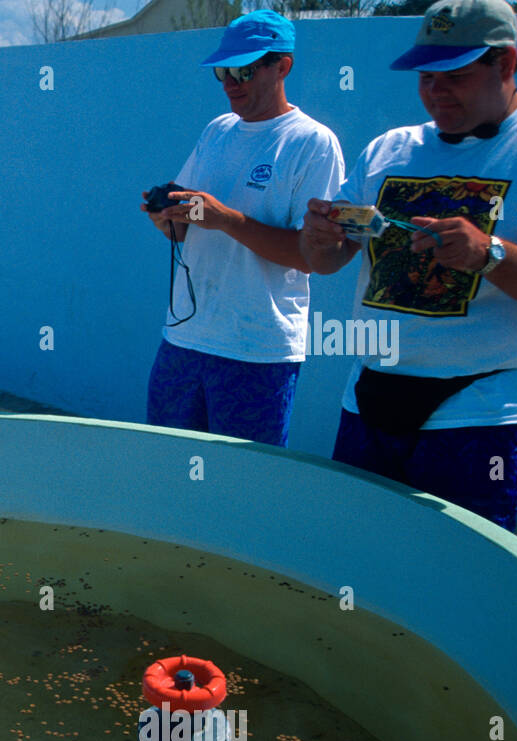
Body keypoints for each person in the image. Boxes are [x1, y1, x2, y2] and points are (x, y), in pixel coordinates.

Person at [301, 0, 517, 531]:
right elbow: (324, 262)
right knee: (359, 560)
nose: (435, 91)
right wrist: (319, 239)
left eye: (454, 76)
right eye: (426, 76)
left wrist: (491, 254)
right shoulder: (389, 149)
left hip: (480, 406)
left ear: (505, 65)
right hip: (369, 394)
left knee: (461, 578)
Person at [143, 10, 344, 447]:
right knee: (168, 476)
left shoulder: (312, 143)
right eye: (223, 70)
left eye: (244, 69)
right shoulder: (217, 131)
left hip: (255, 352)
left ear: (283, 66)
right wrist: (169, 219)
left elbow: (309, 255)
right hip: (183, 340)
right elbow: (188, 231)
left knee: (245, 495)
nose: (230, 82)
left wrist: (226, 219)